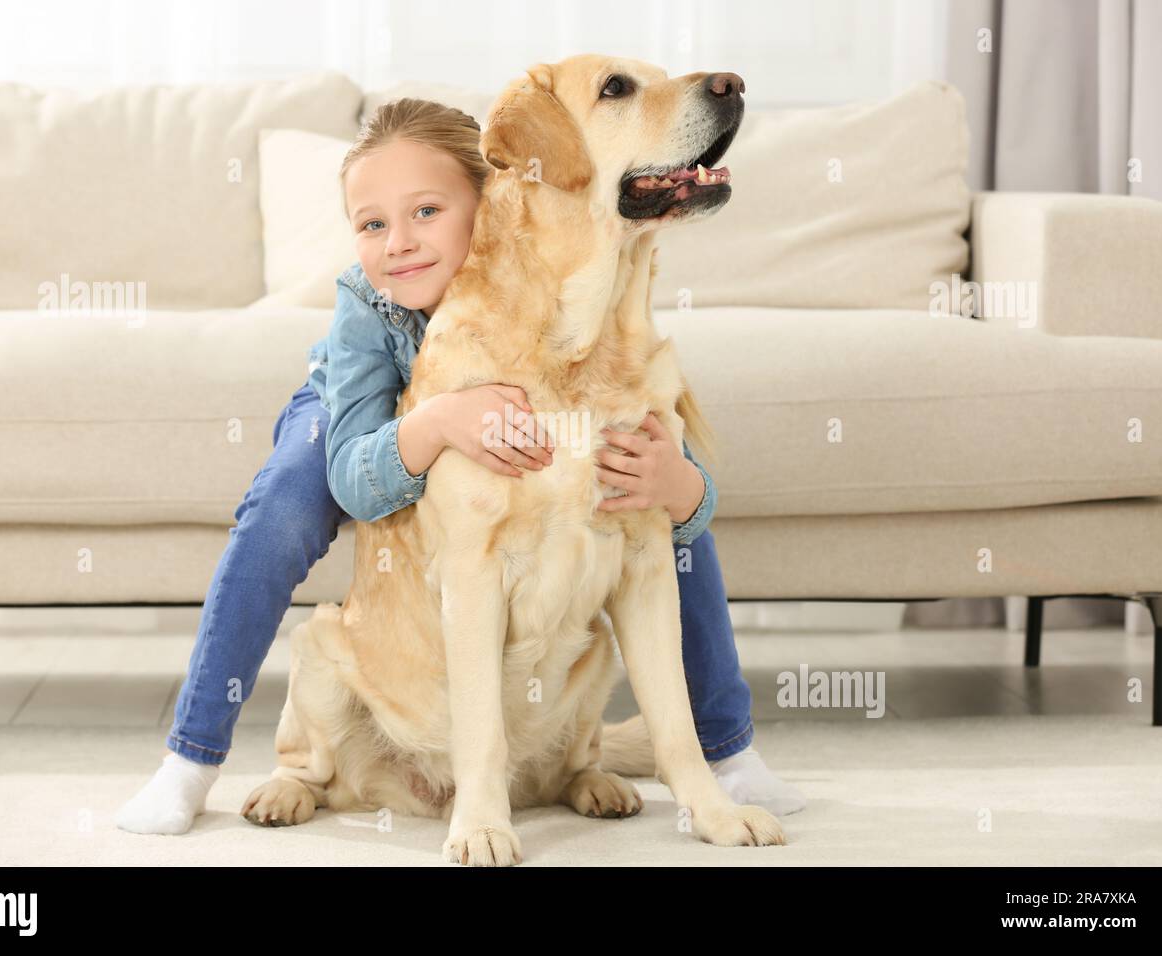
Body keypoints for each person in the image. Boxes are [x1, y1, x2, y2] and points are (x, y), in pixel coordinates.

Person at [116, 98, 804, 835]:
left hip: (506, 401)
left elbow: (628, 400)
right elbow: (354, 477)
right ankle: (190, 759)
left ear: (491, 204)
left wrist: (683, 489)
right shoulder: (366, 303)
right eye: (372, 224)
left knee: (651, 486)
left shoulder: (563, 277)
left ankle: (725, 753)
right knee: (284, 503)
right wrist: (439, 420)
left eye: (426, 212)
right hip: (362, 408)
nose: (398, 244)